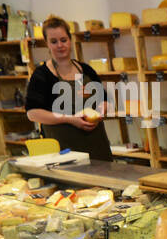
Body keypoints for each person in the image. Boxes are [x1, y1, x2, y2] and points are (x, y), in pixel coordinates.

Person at [25, 16, 113, 161]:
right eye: (54, 41)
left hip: (97, 147)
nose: (60, 45)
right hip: (64, 152)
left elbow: (105, 100)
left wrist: (101, 111)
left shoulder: (86, 70)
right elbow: (33, 113)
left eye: (63, 40)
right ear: (47, 43)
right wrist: (70, 119)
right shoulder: (42, 76)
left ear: (70, 40)